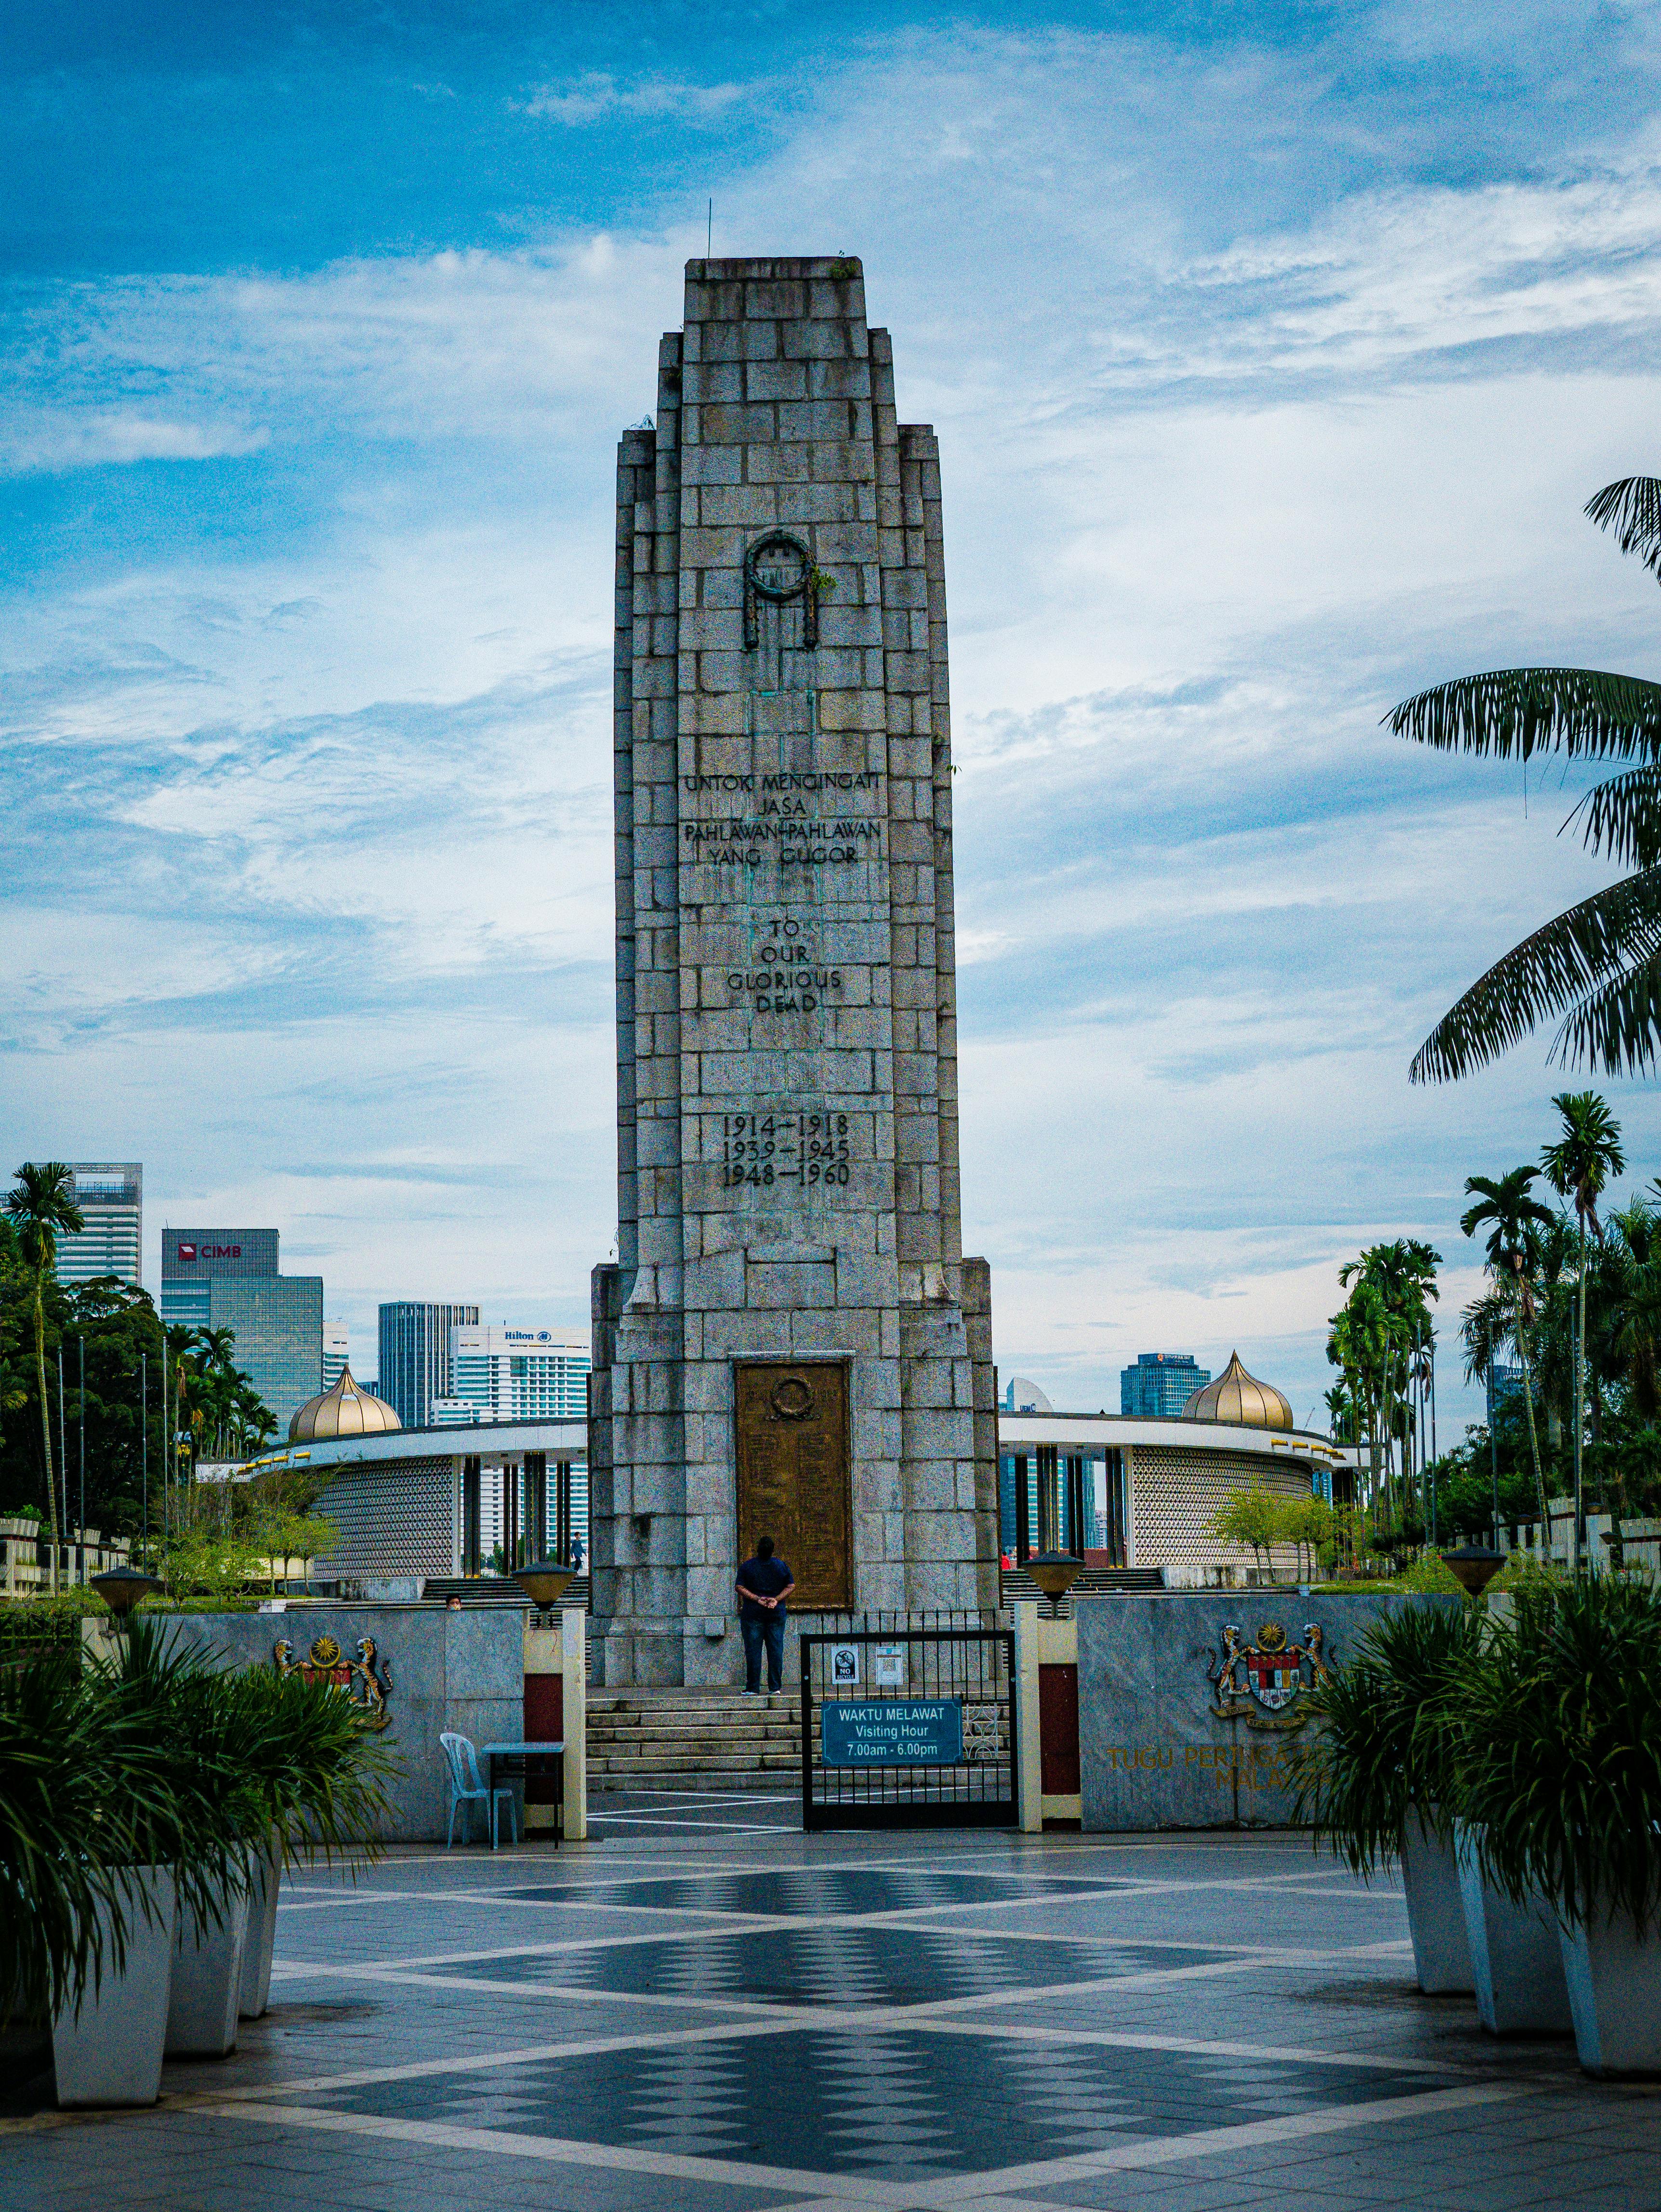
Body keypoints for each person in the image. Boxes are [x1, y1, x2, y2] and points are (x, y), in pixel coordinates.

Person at [736, 1535, 795, 1694]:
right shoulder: (781, 1566)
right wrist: (776, 1600)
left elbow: (739, 1587)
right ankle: (775, 1688)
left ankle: (753, 1688)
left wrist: (757, 1599)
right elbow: (790, 1586)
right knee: (776, 1650)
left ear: (758, 1549)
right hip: (776, 1614)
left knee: (753, 1651)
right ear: (772, 1550)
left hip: (753, 1614)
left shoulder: (747, 1567)